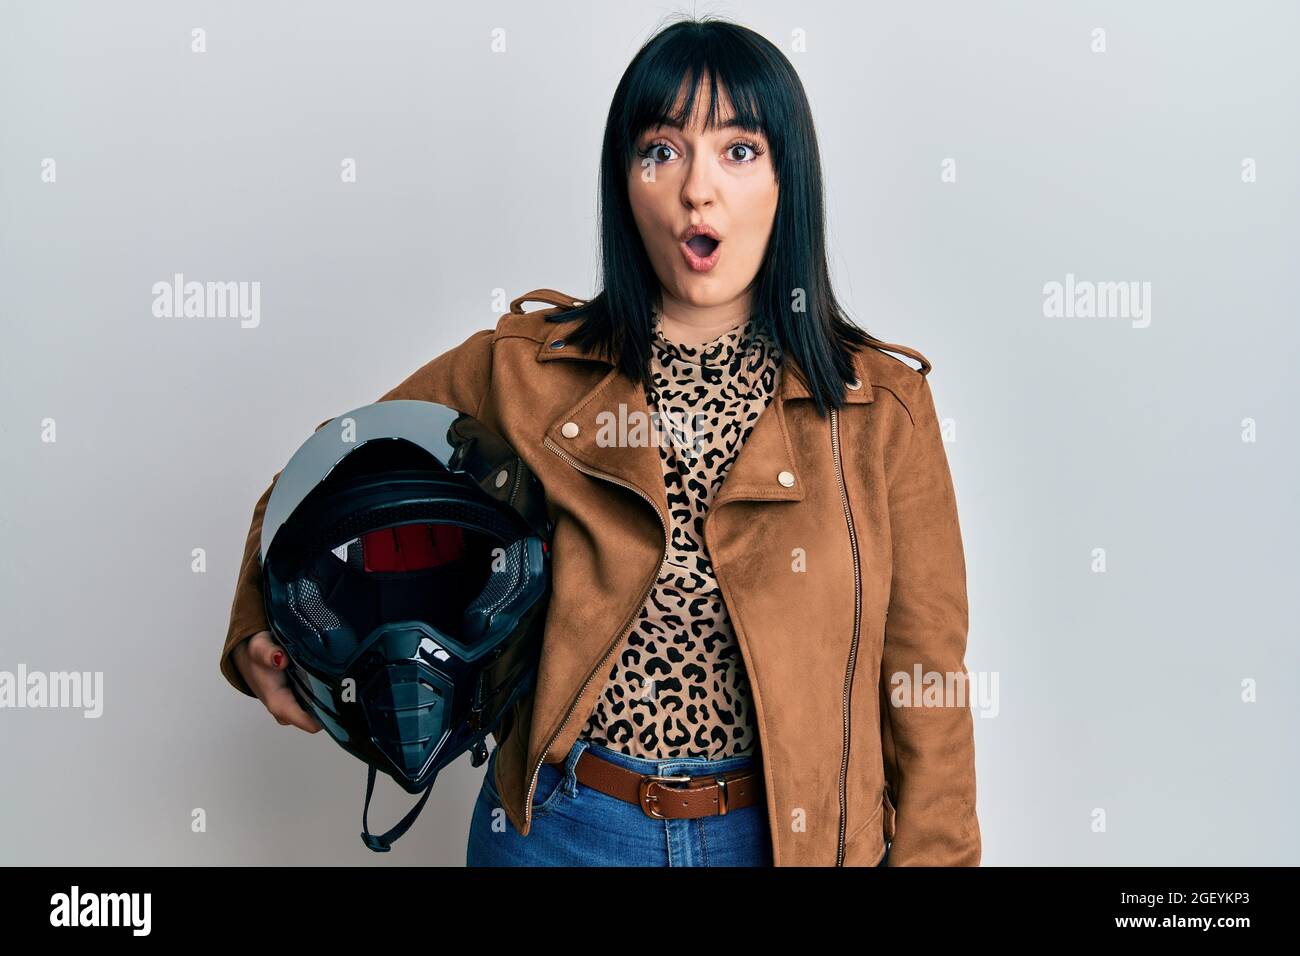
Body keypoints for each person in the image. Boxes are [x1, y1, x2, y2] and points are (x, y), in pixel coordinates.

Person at [220, 16, 979, 868]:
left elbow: (929, 688)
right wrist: (262, 624)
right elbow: (326, 472)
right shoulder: (521, 373)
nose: (698, 188)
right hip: (563, 834)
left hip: (787, 844)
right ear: (625, 184)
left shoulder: (882, 410)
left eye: (739, 151)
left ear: (787, 180)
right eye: (662, 150)